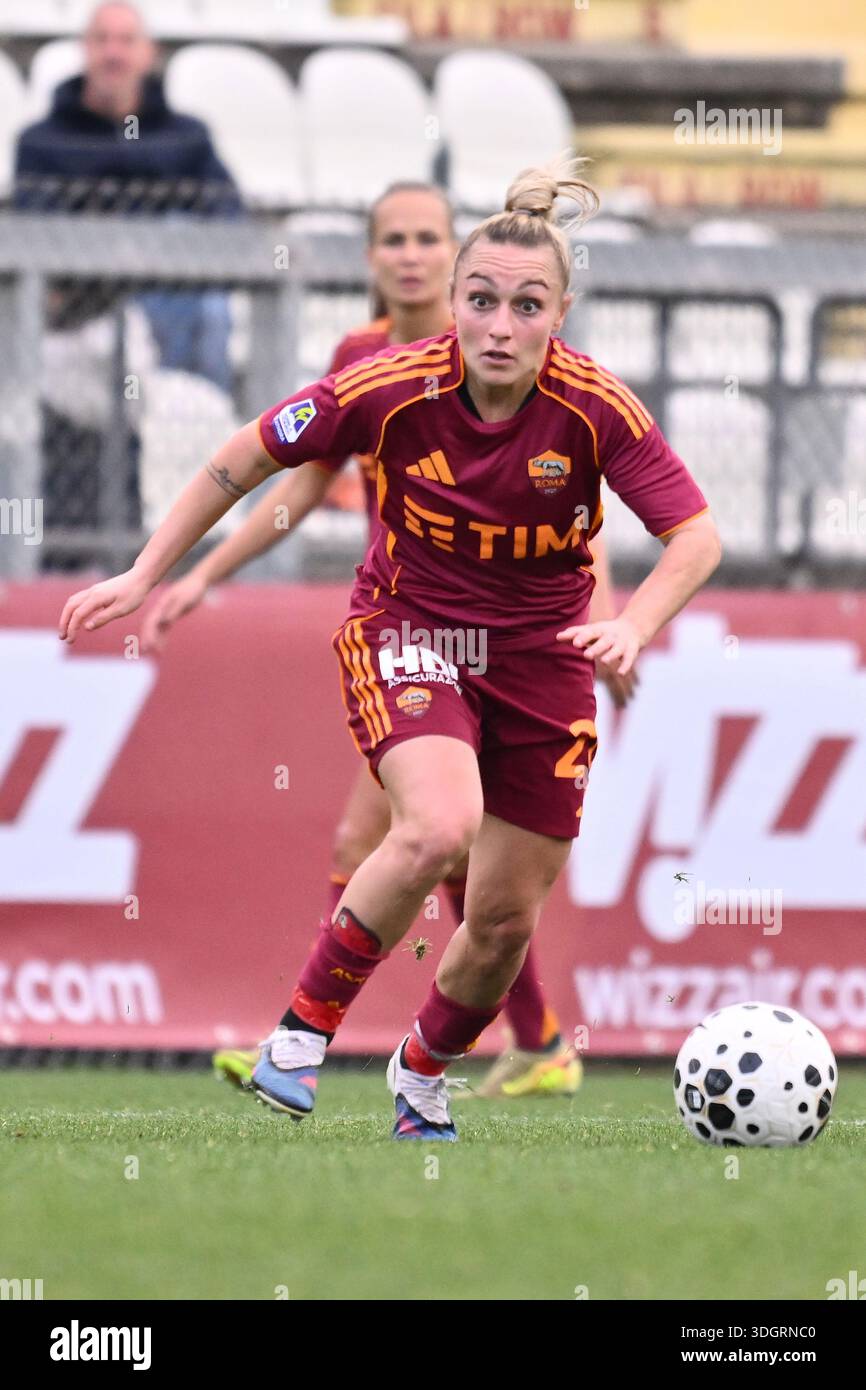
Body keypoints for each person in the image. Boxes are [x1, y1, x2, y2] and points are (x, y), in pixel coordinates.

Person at [59, 155, 721, 1142]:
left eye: (526, 305)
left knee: (499, 923)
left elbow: (696, 536)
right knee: (435, 826)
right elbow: (241, 458)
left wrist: (630, 625)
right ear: (452, 301)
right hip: (409, 632)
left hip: (541, 663)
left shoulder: (594, 408)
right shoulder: (384, 383)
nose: (500, 325)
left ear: (560, 312)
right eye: (481, 300)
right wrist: (150, 572)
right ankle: (299, 1036)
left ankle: (421, 1071)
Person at [139, 180, 634, 1100]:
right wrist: (201, 572)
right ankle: (351, 1039)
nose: (408, 254)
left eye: (425, 237)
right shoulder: (365, 363)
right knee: (430, 834)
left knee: (434, 845)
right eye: (393, 239)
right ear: (378, 261)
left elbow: (576, 517)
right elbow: (291, 482)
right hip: (410, 627)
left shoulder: (537, 361)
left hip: (515, 643)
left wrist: (612, 618)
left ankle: (345, 1038)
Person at [15, 0, 241, 391]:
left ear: (149, 53)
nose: (113, 53)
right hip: (82, 304)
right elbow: (33, 232)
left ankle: (197, 427)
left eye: (126, 40)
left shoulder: (186, 137)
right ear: (85, 50)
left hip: (175, 292)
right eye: (102, 40)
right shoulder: (42, 141)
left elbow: (230, 215)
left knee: (207, 303)